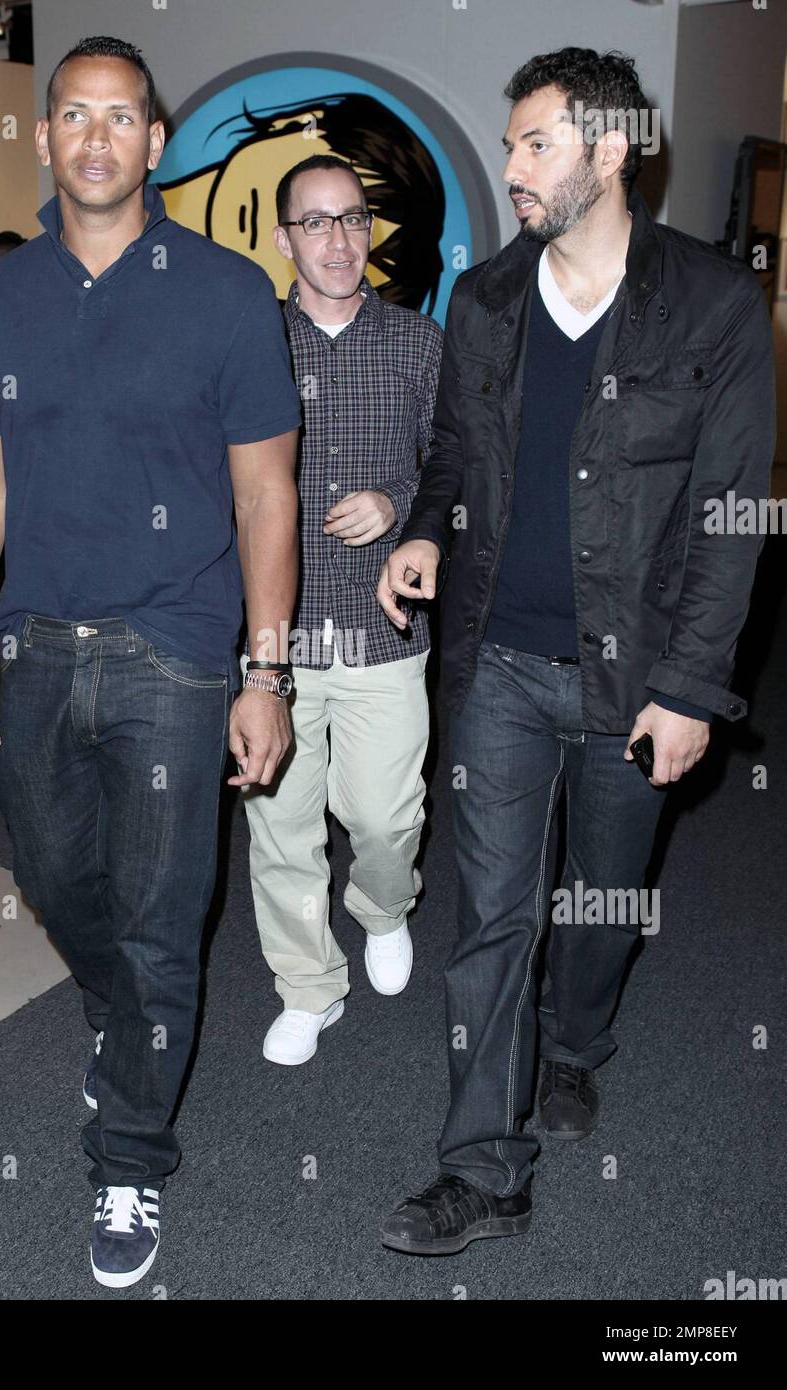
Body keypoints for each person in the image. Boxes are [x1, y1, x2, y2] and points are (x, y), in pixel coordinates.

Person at [376, 47, 775, 1255]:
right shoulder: (489, 297)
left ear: (613, 148)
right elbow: (452, 454)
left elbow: (729, 515)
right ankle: (485, 1171)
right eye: (509, 146)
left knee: (599, 904)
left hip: (635, 678)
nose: (510, 169)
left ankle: (578, 1039)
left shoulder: (714, 305)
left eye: (534, 144)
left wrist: (693, 688)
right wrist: (425, 533)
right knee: (491, 917)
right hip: (497, 660)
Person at [0, 35, 301, 1289]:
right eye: (73, 116)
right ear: (43, 140)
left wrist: (267, 673)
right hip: (34, 645)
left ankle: (131, 1153)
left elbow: (268, 495)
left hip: (181, 652)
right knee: (52, 876)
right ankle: (127, 1019)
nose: (97, 138)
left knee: (157, 919)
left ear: (156, 142)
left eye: (122, 118)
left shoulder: (226, 293)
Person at [241, 154, 442, 1065]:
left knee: (385, 819)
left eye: (352, 219)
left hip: (382, 633)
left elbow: (459, 469)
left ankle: (381, 908)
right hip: (274, 638)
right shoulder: (250, 345)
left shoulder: (418, 343)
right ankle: (308, 985)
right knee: (280, 828)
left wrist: (396, 503)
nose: (338, 239)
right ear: (283, 238)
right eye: (314, 222)